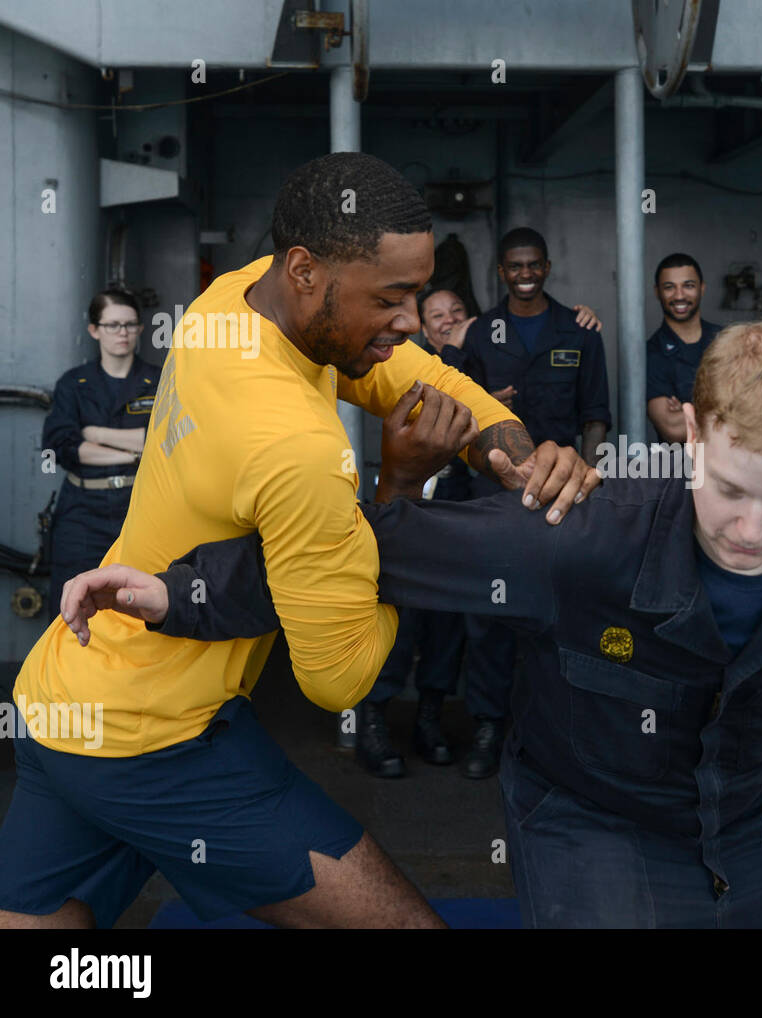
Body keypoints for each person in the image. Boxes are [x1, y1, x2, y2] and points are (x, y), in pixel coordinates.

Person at [71, 320, 762, 930]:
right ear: (692, 432)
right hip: (590, 813)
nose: (755, 528)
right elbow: (359, 551)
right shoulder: (579, 534)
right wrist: (184, 593)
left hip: (749, 813)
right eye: (732, 490)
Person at [0, 152, 599, 930]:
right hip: (160, 740)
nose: (412, 320)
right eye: (391, 298)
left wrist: (522, 461)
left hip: (61, 698)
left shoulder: (232, 301)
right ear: (307, 271)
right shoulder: (297, 447)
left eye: (416, 293)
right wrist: (400, 488)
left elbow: (420, 379)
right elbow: (340, 679)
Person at [452, 227, 612, 780]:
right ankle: (489, 727)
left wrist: (589, 477)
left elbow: (595, 414)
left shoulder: (580, 331)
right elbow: (457, 416)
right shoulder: (481, 334)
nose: (525, 273)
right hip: (492, 494)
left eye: (534, 265)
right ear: (501, 272)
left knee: (560, 614)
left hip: (561, 493)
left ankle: (556, 732)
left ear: (546, 266)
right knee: (488, 617)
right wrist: (482, 407)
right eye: (515, 266)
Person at [354, 287, 474, 777]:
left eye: (458, 312)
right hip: (405, 509)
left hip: (458, 511)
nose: (447, 322)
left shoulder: (478, 364)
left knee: (446, 622)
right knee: (395, 617)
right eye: (437, 315)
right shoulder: (399, 364)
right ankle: (374, 721)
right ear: (422, 326)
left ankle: (429, 716)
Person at [42, 289, 158, 618]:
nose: (122, 332)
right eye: (112, 325)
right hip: (82, 514)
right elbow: (59, 449)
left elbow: (167, 442)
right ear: (94, 330)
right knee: (70, 609)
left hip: (140, 508)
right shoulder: (72, 384)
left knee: (137, 609)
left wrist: (96, 435)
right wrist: (136, 450)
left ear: (139, 329)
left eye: (129, 324)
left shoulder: (161, 381)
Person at [646, 253, 721, 443]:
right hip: (681, 467)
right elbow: (674, 428)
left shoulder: (726, 340)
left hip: (733, 463)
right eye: (669, 287)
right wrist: (733, 404)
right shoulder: (650, 354)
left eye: (688, 286)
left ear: (702, 288)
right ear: (657, 292)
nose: (679, 296)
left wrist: (690, 411)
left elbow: (760, 406)